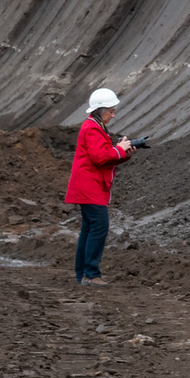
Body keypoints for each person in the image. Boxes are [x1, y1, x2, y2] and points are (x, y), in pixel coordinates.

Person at [65, 88, 135, 285]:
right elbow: (100, 157)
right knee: (99, 228)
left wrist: (123, 153)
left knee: (89, 229)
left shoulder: (95, 126)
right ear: (99, 110)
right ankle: (91, 274)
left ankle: (83, 274)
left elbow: (104, 157)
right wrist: (118, 149)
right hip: (90, 187)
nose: (113, 115)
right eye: (110, 111)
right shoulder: (92, 128)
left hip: (89, 186)